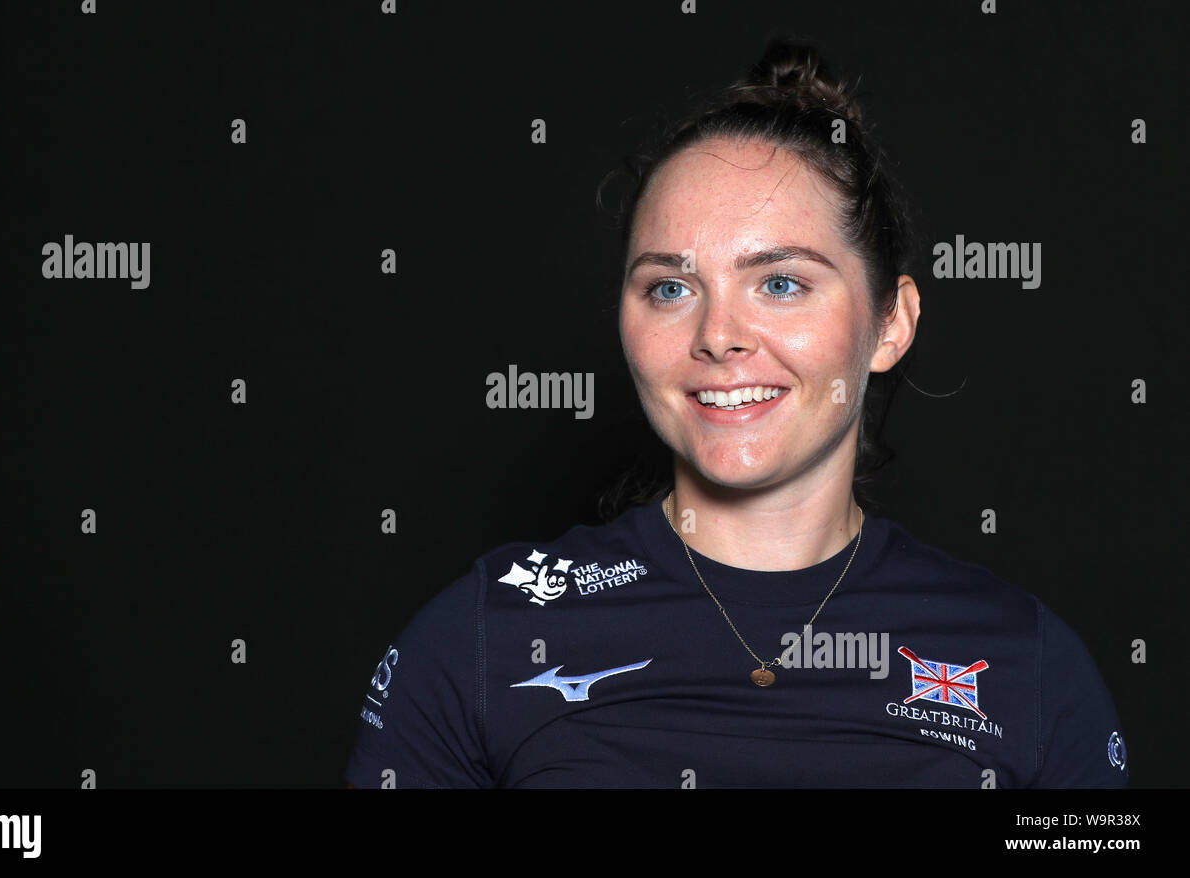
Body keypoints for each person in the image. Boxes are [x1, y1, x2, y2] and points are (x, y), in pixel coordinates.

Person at [344, 38, 1128, 789]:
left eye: (781, 282)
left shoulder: (1024, 663)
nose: (718, 336)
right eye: (670, 288)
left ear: (891, 323)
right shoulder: (487, 633)